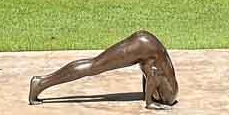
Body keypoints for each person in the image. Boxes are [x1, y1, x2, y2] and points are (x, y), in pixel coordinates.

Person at [29, 30, 178, 109]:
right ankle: (40, 83)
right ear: (164, 94)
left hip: (144, 43)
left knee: (94, 63)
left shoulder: (167, 75)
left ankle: (42, 83)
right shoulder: (166, 84)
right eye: (160, 97)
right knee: (94, 66)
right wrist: (149, 102)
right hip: (141, 46)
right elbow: (152, 77)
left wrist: (148, 94)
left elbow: (148, 74)